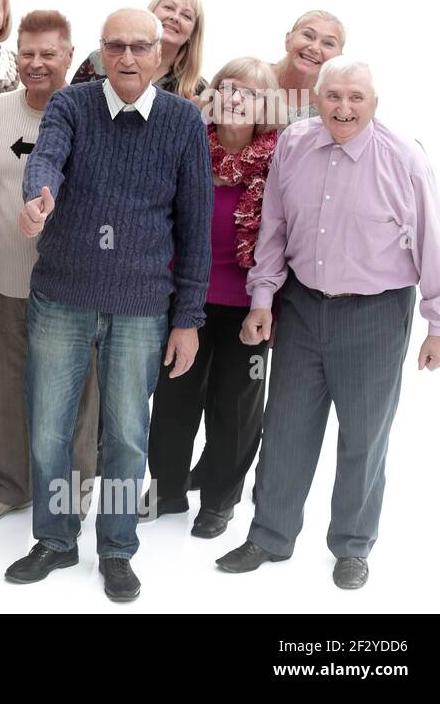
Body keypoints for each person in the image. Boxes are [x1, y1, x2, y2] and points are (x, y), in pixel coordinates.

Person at [216, 57, 440, 590]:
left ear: (374, 103)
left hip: (375, 313)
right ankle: (269, 535)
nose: (344, 108)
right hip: (302, 307)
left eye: (356, 98)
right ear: (317, 99)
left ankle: (352, 545)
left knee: (364, 435)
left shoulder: (404, 160)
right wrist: (261, 300)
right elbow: (274, 230)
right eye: (334, 97)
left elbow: (434, 244)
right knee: (285, 426)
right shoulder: (295, 146)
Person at [10, 8, 212, 602]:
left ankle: (117, 547)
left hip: (141, 306)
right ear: (99, 53)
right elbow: (47, 156)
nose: (127, 58)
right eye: (116, 46)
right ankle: (54, 537)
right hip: (62, 297)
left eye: (139, 47)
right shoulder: (72, 106)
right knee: (50, 431)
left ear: (160, 56)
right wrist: (38, 195)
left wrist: (189, 319)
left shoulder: (182, 123)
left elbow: (194, 230)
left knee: (125, 436)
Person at [0, 10, 100, 524]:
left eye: (49, 53)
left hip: (72, 283)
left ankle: (77, 484)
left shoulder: (91, 111)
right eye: (27, 54)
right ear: (13, 56)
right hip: (4, 278)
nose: (37, 63)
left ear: (70, 55)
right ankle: (10, 485)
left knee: (74, 392)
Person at [145, 58, 281, 538]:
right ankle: (165, 489)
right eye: (227, 88)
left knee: (236, 405)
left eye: (249, 92)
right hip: (185, 299)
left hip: (249, 303)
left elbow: (292, 234)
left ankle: (220, 500)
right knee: (174, 397)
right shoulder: (188, 145)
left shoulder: (280, 158)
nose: (236, 98)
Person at [71, 0, 208, 100]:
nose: (175, 17)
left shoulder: (200, 90)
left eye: (186, 15)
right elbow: (69, 105)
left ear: (193, 33)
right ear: (151, 14)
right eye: (169, 7)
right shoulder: (98, 60)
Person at [273, 10, 345, 123]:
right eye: (308, 35)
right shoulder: (249, 79)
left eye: (328, 43)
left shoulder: (336, 109)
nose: (315, 48)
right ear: (288, 40)